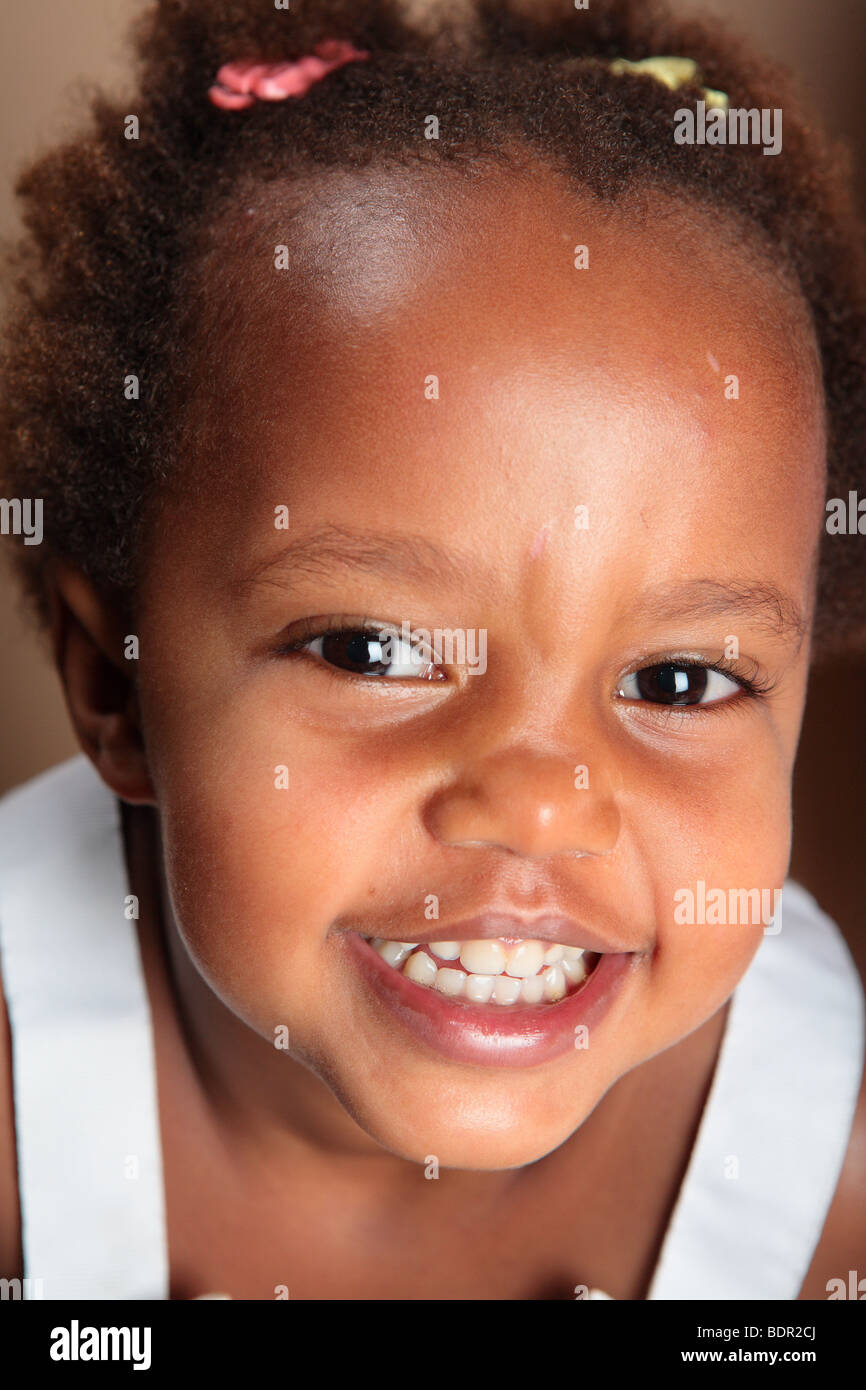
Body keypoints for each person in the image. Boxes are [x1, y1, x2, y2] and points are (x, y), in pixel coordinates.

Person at [0, 0, 864, 1300]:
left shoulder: (824, 1173)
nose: (537, 800)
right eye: (370, 648)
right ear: (111, 677)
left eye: (679, 678)